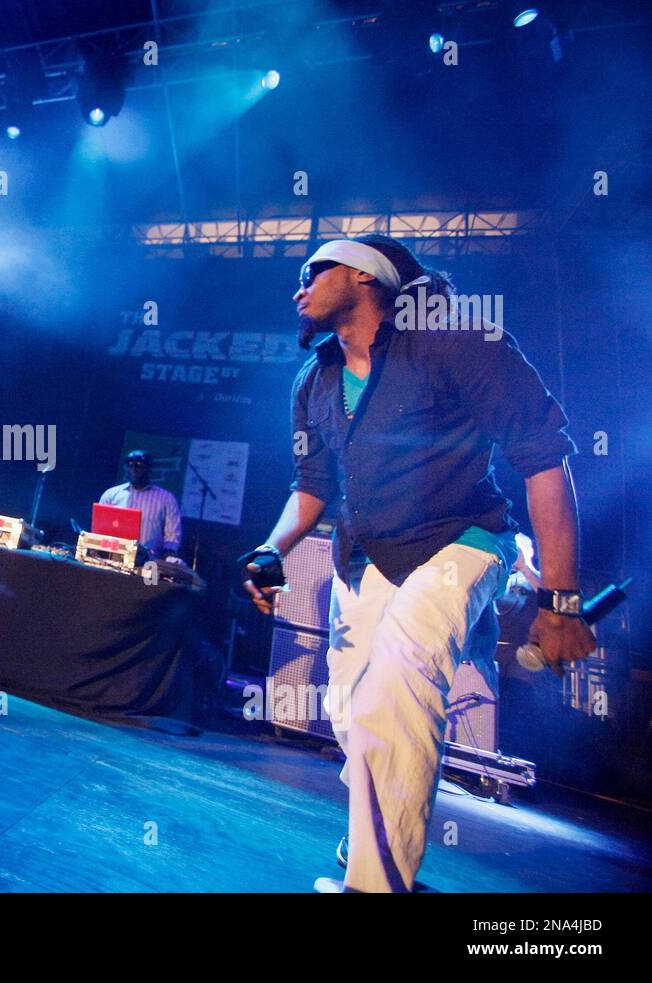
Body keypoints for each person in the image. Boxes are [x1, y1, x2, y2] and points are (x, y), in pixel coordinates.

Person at [239, 234, 595, 892]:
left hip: (463, 540)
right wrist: (272, 547)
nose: (300, 287)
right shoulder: (314, 380)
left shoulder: (457, 339)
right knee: (351, 713)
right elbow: (312, 484)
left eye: (316, 271)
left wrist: (561, 601)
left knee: (399, 680)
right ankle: (375, 830)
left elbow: (545, 454)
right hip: (368, 557)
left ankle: (375, 884)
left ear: (366, 277)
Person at [99, 449, 182, 559]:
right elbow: (99, 529)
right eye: (130, 464)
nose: (133, 469)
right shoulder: (111, 494)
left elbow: (172, 535)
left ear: (148, 468)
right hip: (113, 556)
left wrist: (167, 556)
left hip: (148, 560)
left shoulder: (166, 498)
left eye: (138, 465)